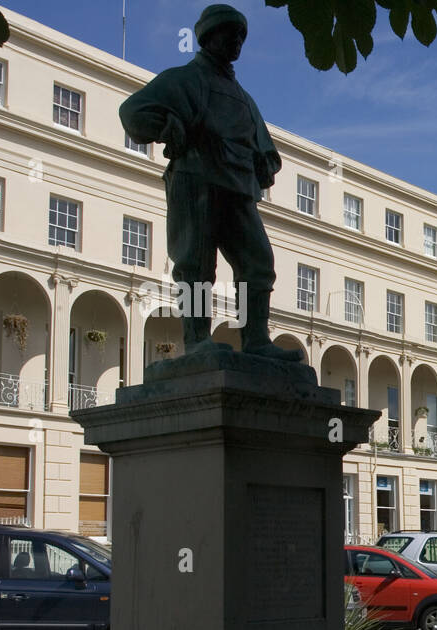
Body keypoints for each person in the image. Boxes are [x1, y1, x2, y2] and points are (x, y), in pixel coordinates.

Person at [119, 4, 301, 362]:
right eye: (229, 34)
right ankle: (197, 337)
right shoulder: (185, 78)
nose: (236, 41)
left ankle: (255, 339)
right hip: (196, 180)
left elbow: (266, 147)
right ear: (208, 37)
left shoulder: (244, 98)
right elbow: (133, 112)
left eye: (240, 36)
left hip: (237, 188)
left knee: (258, 263)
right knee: (196, 263)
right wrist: (167, 125)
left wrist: (264, 162)